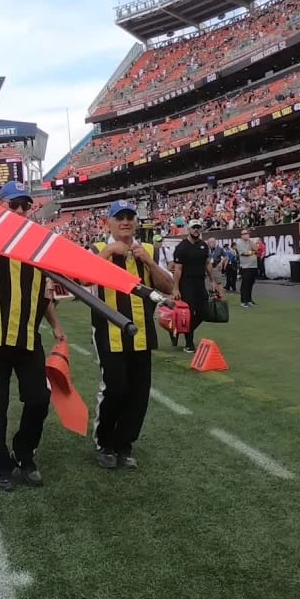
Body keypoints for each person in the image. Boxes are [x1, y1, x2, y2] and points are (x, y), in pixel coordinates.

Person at [0, 181, 66, 492]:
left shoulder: (36, 243)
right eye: (13, 204)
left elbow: (42, 293)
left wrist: (56, 325)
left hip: (27, 337)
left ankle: (24, 452)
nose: (20, 210)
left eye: (25, 206)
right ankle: (1, 465)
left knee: (39, 398)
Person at [90, 200, 177, 469]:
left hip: (142, 332)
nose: (125, 222)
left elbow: (168, 286)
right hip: (109, 332)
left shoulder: (149, 249)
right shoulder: (97, 249)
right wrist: (108, 252)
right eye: (120, 217)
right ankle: (104, 442)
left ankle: (124, 444)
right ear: (109, 222)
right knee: (115, 388)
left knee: (138, 393)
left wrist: (149, 262)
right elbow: (81, 279)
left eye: (130, 217)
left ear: (136, 222)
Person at [172, 220, 215, 353]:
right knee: (188, 314)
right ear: (189, 229)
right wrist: (176, 288)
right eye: (194, 227)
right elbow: (178, 269)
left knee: (204, 312)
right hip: (186, 283)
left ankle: (181, 330)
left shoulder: (203, 245)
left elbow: (207, 264)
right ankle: (189, 343)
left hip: (200, 283)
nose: (196, 230)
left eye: (198, 227)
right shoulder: (181, 247)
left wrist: (213, 281)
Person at [236, 229, 260, 308]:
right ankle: (243, 301)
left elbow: (256, 249)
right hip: (245, 266)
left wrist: (250, 242)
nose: (246, 235)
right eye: (244, 234)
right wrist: (253, 252)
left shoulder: (250, 242)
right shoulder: (239, 243)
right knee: (245, 284)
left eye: (247, 233)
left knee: (251, 283)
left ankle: (249, 299)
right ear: (241, 235)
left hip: (253, 265)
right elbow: (245, 253)